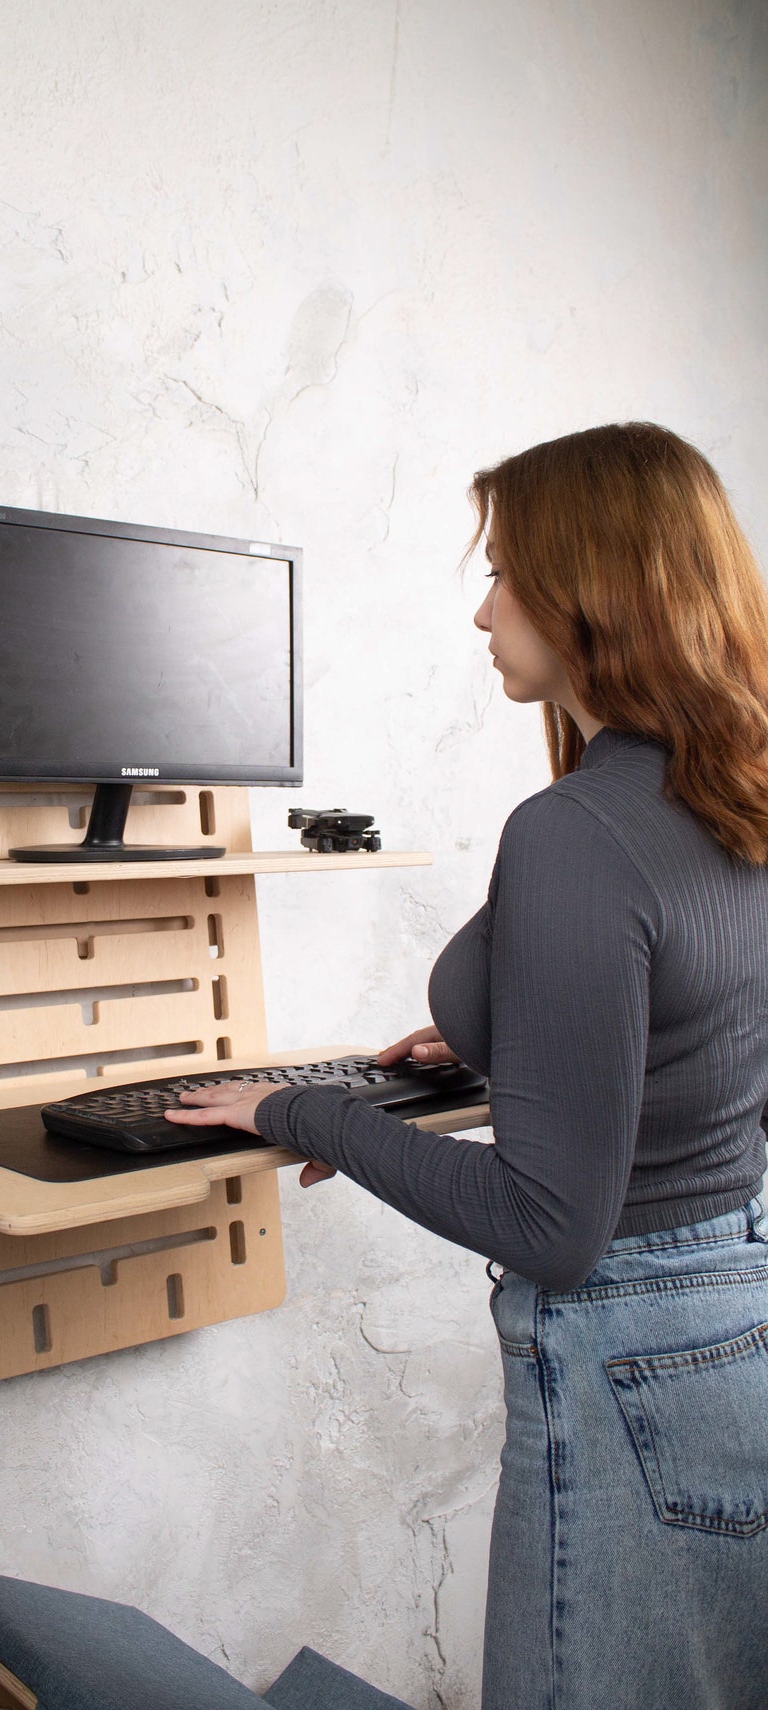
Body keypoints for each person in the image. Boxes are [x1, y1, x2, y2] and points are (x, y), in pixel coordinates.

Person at [164, 422, 768, 1710]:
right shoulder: (733, 792)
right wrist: (512, 1033)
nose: (484, 609)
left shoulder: (577, 834)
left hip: (632, 1361)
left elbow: (549, 1227)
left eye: (504, 572)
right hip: (741, 1318)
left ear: (591, 592)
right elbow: (706, 1015)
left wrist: (301, 1110)